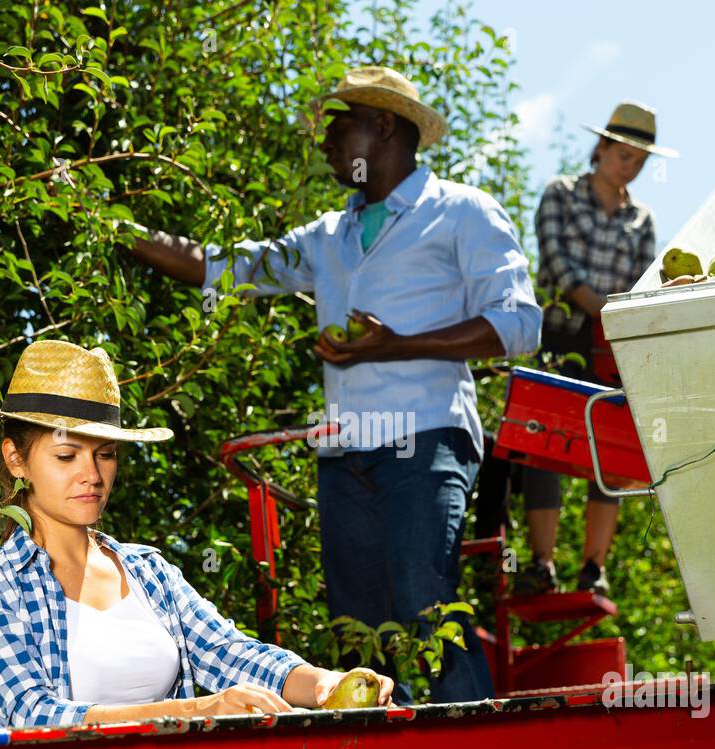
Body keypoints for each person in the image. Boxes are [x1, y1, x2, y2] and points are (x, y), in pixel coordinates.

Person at [124, 65, 542, 703]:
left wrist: (398, 344)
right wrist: (119, 232)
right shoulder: (329, 236)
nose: (324, 142)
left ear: (382, 126)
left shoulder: (461, 213)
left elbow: (519, 323)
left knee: (423, 606)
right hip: (345, 451)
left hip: (426, 439)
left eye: (337, 126)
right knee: (358, 629)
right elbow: (227, 266)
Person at [0, 339, 393, 727]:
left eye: (105, 454)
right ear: (15, 459)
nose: (92, 475)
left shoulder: (150, 573)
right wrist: (195, 711)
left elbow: (231, 654)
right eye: (66, 456)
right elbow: (33, 715)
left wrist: (323, 682)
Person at [509, 101, 675, 598]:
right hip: (561, 336)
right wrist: (609, 311)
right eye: (624, 155)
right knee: (544, 445)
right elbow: (560, 270)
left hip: (611, 348)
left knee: (611, 451)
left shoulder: (641, 219)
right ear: (600, 147)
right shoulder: (560, 194)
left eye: (640, 161)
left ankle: (593, 567)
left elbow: (642, 285)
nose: (631, 167)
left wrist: (622, 322)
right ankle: (542, 562)